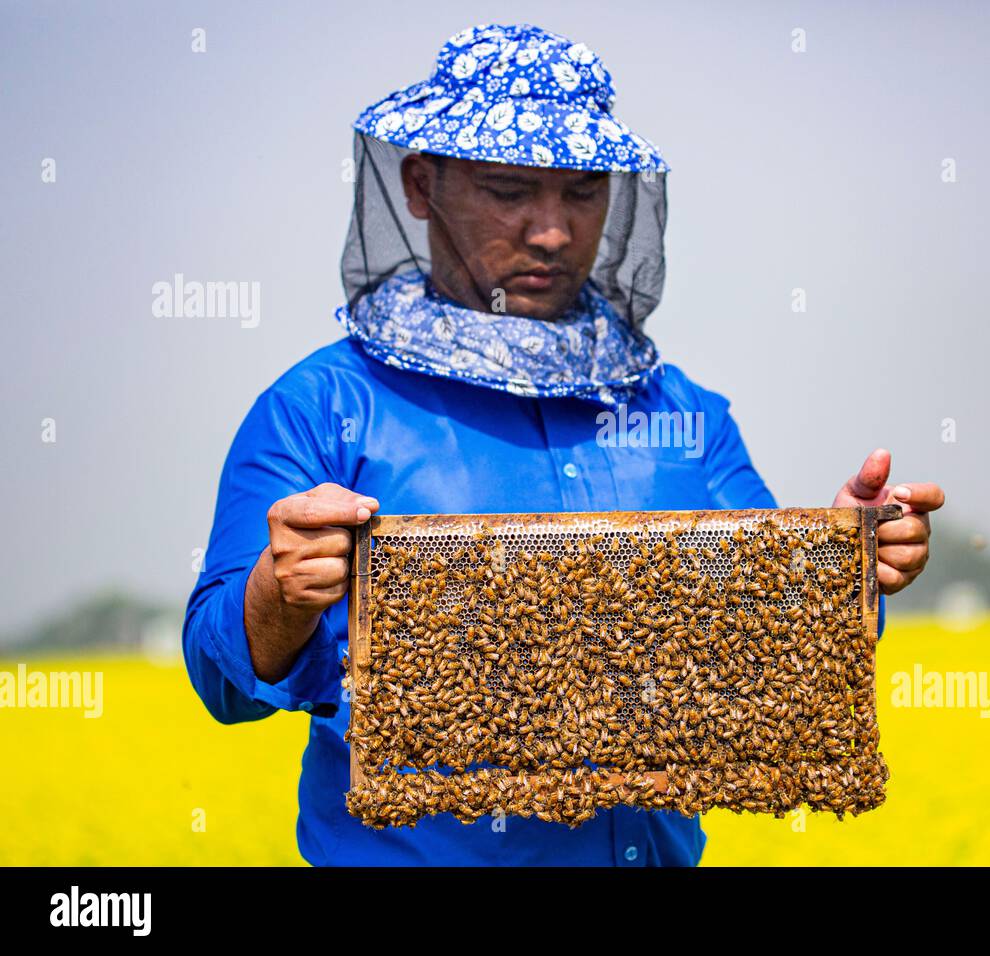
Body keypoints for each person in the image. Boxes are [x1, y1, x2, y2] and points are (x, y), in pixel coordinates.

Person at [182, 22, 944, 867]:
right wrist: (276, 594)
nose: (552, 233)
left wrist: (837, 560)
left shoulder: (681, 411)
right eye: (511, 191)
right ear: (421, 185)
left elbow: (763, 643)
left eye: (582, 193)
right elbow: (222, 680)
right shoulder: (319, 409)